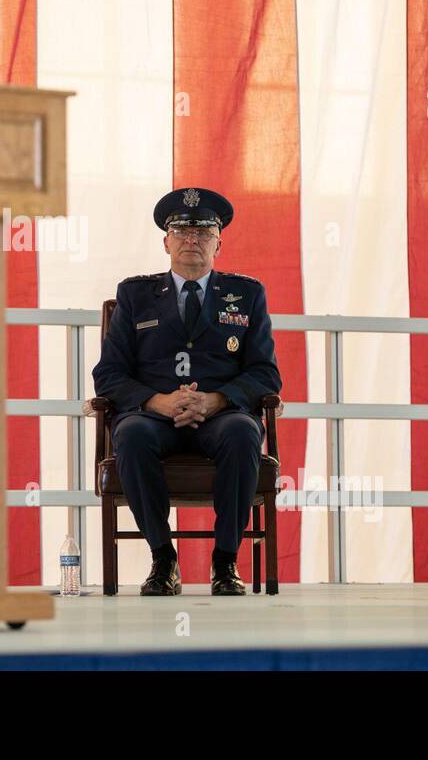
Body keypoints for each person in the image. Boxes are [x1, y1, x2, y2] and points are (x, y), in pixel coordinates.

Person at [91, 188, 283, 596]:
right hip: (153, 415)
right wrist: (157, 401)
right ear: (166, 241)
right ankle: (163, 560)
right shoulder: (135, 294)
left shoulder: (247, 294)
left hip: (220, 414)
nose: (191, 239)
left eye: (203, 231)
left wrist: (215, 400)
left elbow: (265, 374)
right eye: (180, 230)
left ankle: (225, 562)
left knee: (242, 432)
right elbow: (109, 373)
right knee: (132, 434)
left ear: (218, 241)